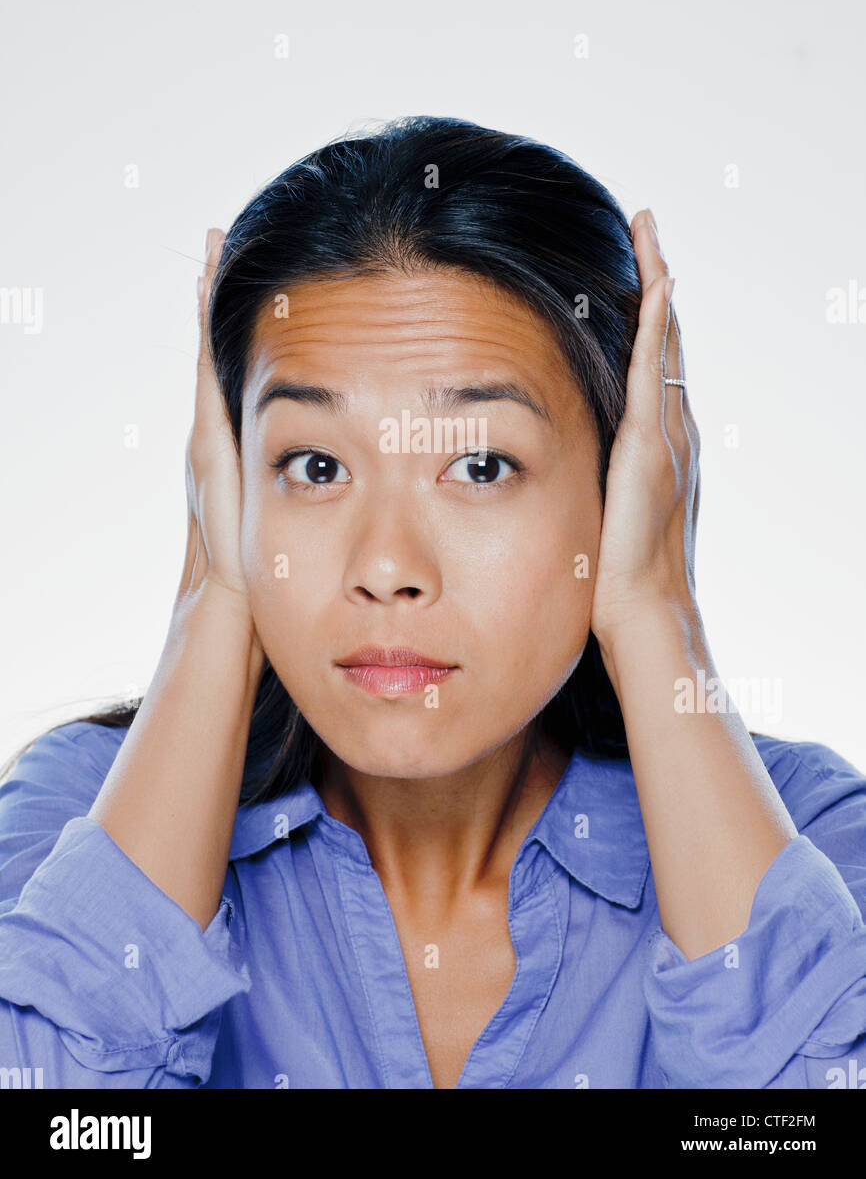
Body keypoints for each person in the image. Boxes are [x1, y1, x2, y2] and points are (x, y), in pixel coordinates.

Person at [1, 115, 865, 1090]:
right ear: (231, 480)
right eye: (314, 465)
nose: (384, 566)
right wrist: (214, 594)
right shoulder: (84, 816)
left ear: (626, 483)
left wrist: (654, 607)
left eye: (479, 464)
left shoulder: (801, 838)